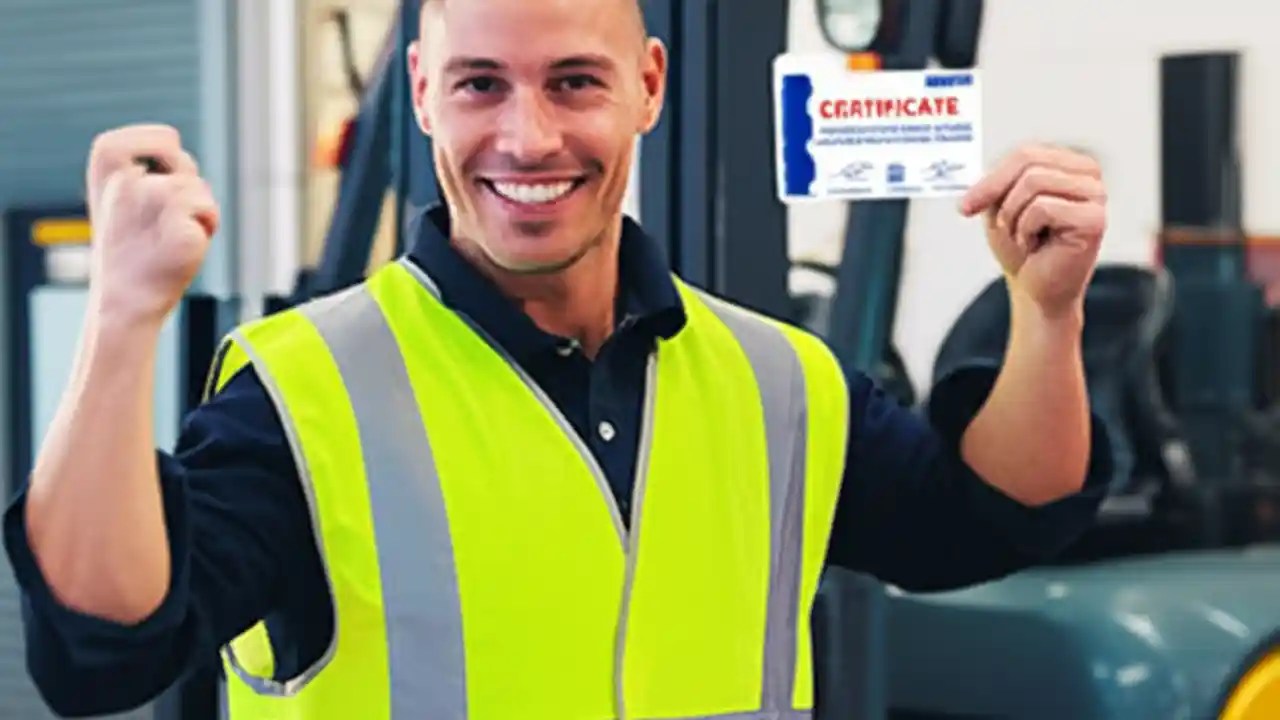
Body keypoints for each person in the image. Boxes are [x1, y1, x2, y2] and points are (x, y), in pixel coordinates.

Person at [4, 0, 1113, 717]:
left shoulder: (779, 383)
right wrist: (119, 324)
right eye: (481, 83)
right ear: (427, 97)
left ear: (649, 87)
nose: (528, 139)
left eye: (574, 82)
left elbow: (989, 519)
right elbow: (103, 653)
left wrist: (1045, 313)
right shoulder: (303, 391)